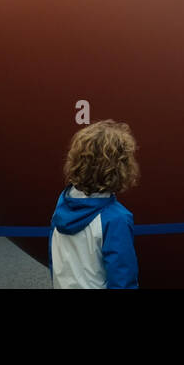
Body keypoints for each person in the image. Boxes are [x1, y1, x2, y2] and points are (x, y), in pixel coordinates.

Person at [49, 120, 140, 289]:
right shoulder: (116, 219)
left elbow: (55, 263)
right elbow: (122, 280)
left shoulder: (61, 207)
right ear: (121, 167)